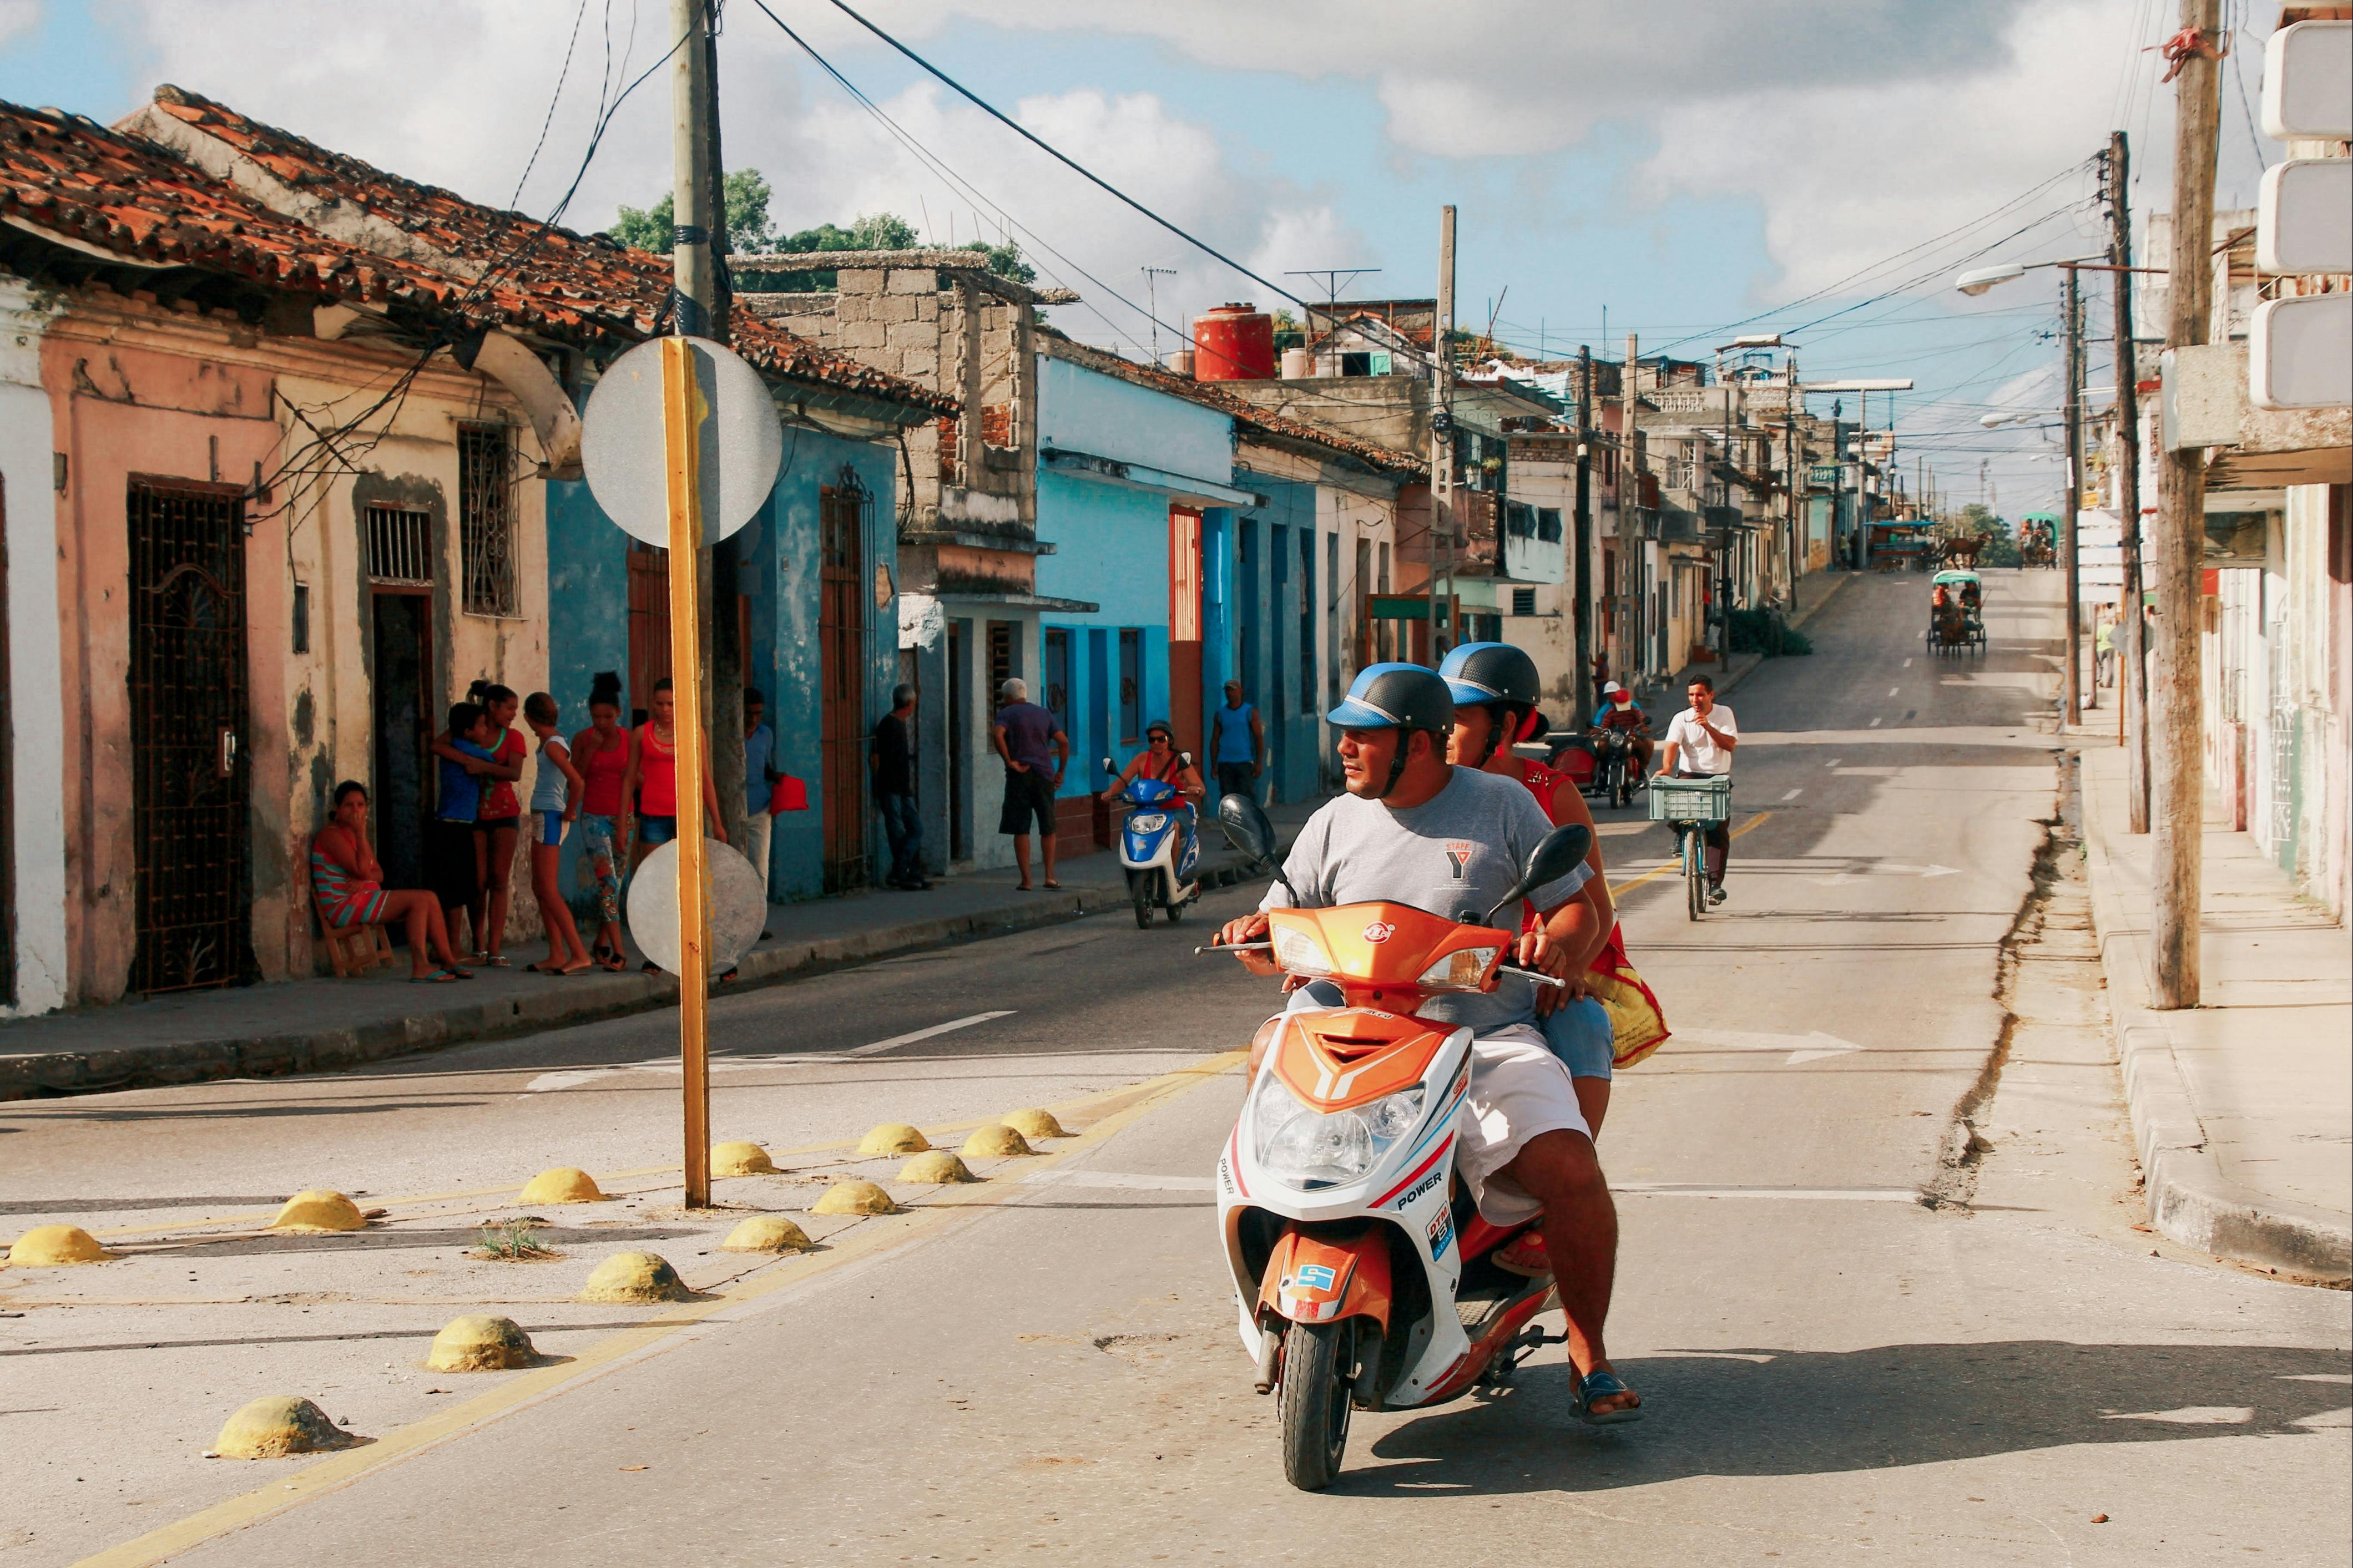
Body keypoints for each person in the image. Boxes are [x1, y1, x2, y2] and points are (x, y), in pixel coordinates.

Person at [1215, 662, 1637, 1423]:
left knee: (1570, 1170)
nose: (1345, 748)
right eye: (1344, 735)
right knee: (1269, 1099)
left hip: (1486, 1038)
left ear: (1418, 743)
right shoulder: (1334, 821)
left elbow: (1576, 909)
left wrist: (1557, 947)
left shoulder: (1502, 805)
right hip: (1357, 1034)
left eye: (1363, 736)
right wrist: (1256, 937)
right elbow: (1278, 924)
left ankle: (1588, 1353)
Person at [1441, 642, 1622, 1137]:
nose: (1442, 730)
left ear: (1507, 725)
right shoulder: (1423, 788)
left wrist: (1567, 967)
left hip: (1524, 975)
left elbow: (1595, 906)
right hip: (1426, 971)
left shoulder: (1550, 793)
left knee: (1582, 1024)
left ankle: (1568, 1164)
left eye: (1457, 717)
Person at [311, 781, 471, 982]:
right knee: (420, 900)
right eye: (349, 805)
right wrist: (361, 834)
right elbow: (362, 869)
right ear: (337, 809)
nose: (356, 811)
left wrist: (363, 880)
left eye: (361, 805)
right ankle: (420, 966)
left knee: (429, 897)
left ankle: (448, 959)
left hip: (363, 896)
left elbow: (378, 874)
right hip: (344, 905)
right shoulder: (330, 836)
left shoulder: (354, 835)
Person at [622, 677, 726, 972]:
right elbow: (630, 777)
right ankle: (657, 953)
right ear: (652, 704)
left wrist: (717, 822)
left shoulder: (694, 733)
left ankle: (703, 950)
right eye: (660, 703)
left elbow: (705, 778)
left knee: (692, 886)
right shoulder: (641, 734)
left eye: (671, 703)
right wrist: (622, 820)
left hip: (688, 819)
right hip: (653, 817)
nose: (665, 709)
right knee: (656, 886)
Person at [436, 681, 527, 968]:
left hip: (504, 814)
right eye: (509, 708)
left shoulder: (514, 738)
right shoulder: (469, 729)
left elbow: (514, 773)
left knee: (498, 880)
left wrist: (482, 767)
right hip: (474, 816)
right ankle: (477, 945)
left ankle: (494, 946)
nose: (513, 714)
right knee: (477, 881)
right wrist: (466, 759)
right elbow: (436, 745)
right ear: (492, 707)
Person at [522, 692, 593, 975]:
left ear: (529, 718)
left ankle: (578, 953)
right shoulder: (552, 743)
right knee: (541, 888)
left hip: (551, 816)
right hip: (544, 816)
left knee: (549, 890)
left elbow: (577, 782)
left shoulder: (552, 746)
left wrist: (570, 811)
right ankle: (556, 952)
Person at [1655, 675, 1738, 904]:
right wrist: (1666, 768)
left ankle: (1714, 886)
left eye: (1700, 694)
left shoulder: (1724, 714)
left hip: (1716, 777)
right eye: (1691, 695)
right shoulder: (1681, 718)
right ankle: (1681, 835)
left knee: (1718, 830)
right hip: (1689, 775)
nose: (1695, 700)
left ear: (1711, 695)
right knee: (1673, 803)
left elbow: (1730, 745)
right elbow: (1672, 745)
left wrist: (1708, 727)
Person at [570, 672, 632, 972]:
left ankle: (600, 942)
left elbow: (637, 780)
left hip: (624, 817)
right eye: (596, 717)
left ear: (618, 713)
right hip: (593, 817)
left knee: (616, 886)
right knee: (607, 884)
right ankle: (619, 952)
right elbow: (575, 778)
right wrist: (591, 750)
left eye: (608, 717)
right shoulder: (583, 739)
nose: (602, 723)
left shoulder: (629, 740)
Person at [430, 701, 504, 941]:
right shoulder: (476, 752)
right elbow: (503, 769)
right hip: (459, 827)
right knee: (457, 888)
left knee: (449, 886)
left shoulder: (450, 745)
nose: (486, 730)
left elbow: (439, 742)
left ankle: (447, 945)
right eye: (482, 726)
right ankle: (453, 946)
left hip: (445, 823)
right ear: (468, 731)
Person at [991, 678, 1068, 892]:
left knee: (1021, 828)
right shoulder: (1044, 713)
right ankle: (1050, 877)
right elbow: (1063, 742)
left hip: (1020, 776)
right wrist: (1060, 771)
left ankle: (1026, 881)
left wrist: (1009, 761)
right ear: (1024, 694)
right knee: (1048, 827)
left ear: (1007, 698)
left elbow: (998, 735)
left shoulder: (1006, 714)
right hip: (1044, 775)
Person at [1101, 720, 1205, 840]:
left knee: (1173, 828)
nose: (1156, 743)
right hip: (1146, 811)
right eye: (1152, 740)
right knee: (1129, 829)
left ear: (1170, 740)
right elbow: (1122, 780)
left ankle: (1173, 859)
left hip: (1175, 812)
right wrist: (1110, 793)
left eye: (1161, 739)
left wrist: (1196, 790)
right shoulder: (1141, 759)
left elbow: (1200, 786)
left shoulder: (1179, 762)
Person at [871, 682, 927, 890]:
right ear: (910, 703)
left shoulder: (898, 723)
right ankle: (905, 871)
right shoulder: (888, 725)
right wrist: (879, 784)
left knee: (914, 829)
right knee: (899, 830)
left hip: (902, 789)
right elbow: (875, 757)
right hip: (891, 788)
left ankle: (902, 870)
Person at [741, 687, 782, 902]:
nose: (754, 719)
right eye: (750, 713)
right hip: (732, 809)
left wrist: (777, 777)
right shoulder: (728, 734)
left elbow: (765, 766)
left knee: (759, 868)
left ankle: (758, 919)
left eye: (759, 714)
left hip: (760, 809)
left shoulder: (766, 735)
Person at [1209, 680, 1263, 805]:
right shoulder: (1220, 714)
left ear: (1240, 691)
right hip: (1225, 762)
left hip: (1244, 762)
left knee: (1246, 796)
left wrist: (1259, 762)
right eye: (1227, 690)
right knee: (1227, 797)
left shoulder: (1249, 712)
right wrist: (1214, 764)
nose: (1230, 693)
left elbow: (1258, 737)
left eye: (1233, 690)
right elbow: (1215, 740)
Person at [1590, 680, 1654, 779]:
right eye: (1609, 694)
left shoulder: (1634, 709)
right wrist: (1598, 730)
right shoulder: (1609, 711)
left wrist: (1644, 727)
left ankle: (1643, 769)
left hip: (1631, 736)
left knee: (1647, 744)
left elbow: (1642, 719)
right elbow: (1603, 725)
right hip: (1615, 738)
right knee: (1602, 746)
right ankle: (1602, 769)